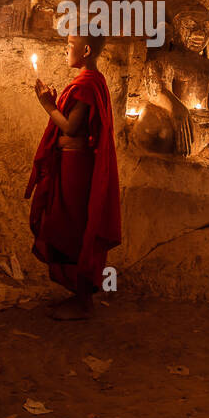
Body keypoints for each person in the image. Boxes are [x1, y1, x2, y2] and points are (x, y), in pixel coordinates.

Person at [26, 32, 121, 320]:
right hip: (69, 164)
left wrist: (47, 105)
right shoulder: (88, 83)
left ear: (87, 49)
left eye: (70, 45)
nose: (66, 49)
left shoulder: (88, 85)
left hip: (76, 170)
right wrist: (54, 104)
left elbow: (69, 127)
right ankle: (77, 297)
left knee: (75, 228)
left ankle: (83, 303)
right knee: (63, 226)